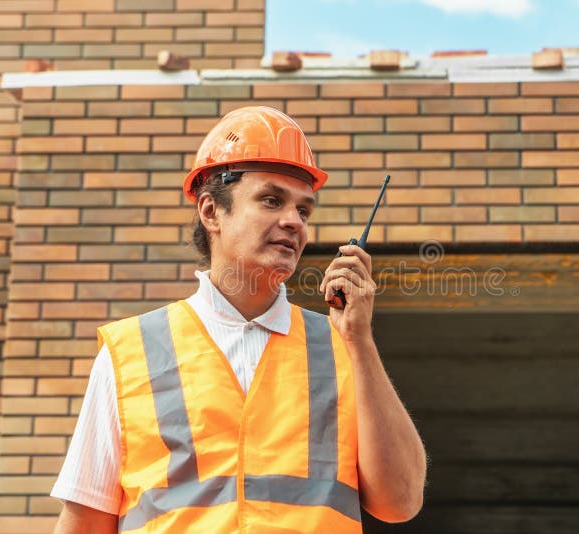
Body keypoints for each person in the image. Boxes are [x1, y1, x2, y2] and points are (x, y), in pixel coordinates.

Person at [51, 106, 427, 533]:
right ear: (211, 211)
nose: (293, 222)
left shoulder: (343, 347)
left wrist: (360, 342)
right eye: (271, 200)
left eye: (304, 211)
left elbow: (400, 501)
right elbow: (85, 521)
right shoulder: (129, 353)